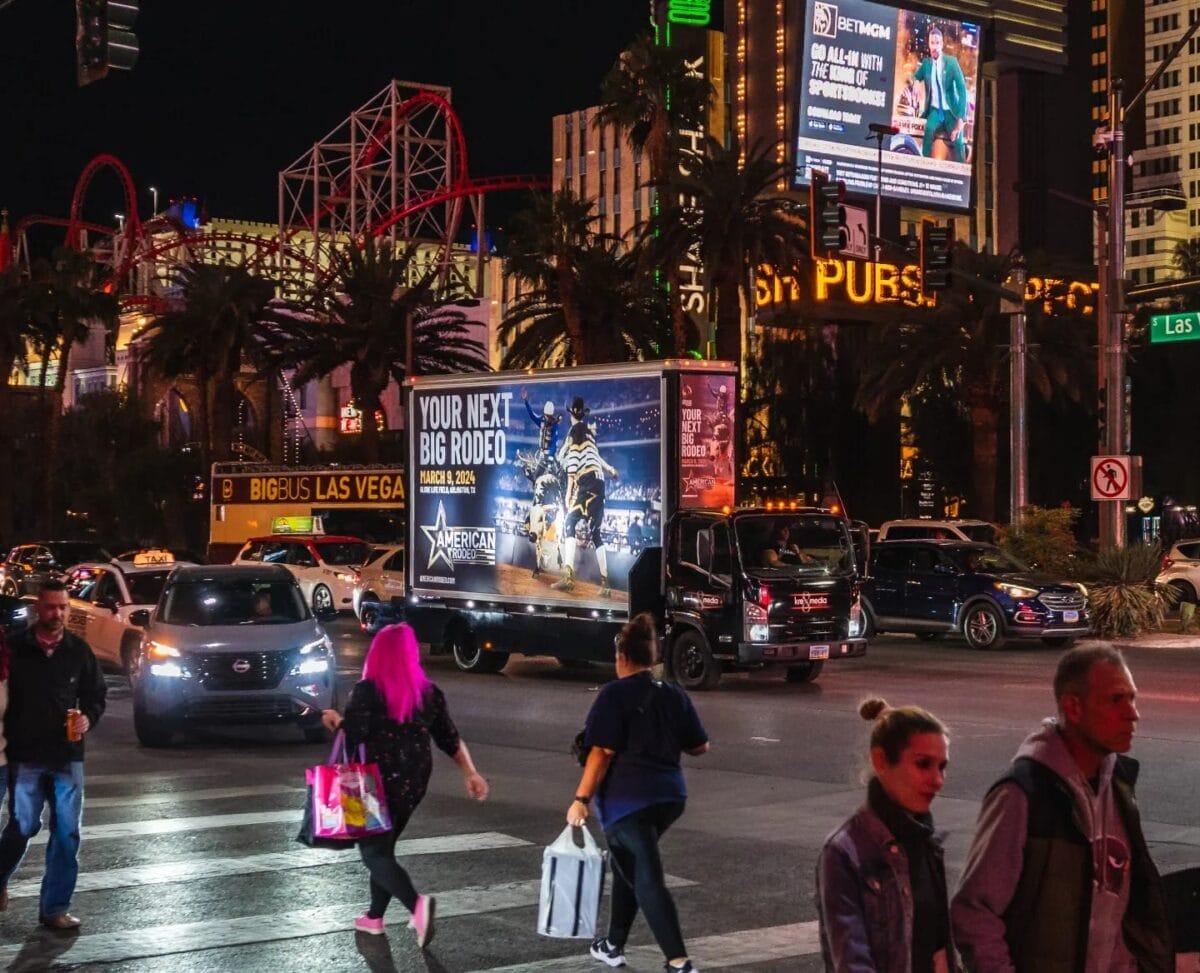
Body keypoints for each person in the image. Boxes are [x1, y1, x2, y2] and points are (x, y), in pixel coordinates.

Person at [951, 645, 1173, 972]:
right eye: (1116, 700)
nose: (1132, 713)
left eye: (1132, 698)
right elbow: (974, 913)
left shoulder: (1119, 786)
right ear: (1074, 707)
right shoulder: (1023, 794)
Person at [321, 623, 488, 947]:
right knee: (384, 848)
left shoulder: (368, 690)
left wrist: (334, 720)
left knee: (373, 852)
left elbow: (354, 732)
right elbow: (450, 739)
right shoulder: (428, 693)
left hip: (375, 781)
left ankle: (417, 906)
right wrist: (471, 772)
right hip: (414, 780)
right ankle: (374, 917)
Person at [567, 612, 709, 973]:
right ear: (653, 658)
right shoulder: (672, 693)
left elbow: (600, 752)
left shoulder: (613, 694)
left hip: (626, 803)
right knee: (626, 864)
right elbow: (699, 746)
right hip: (670, 797)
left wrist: (580, 800)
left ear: (621, 657)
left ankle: (678, 961)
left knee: (646, 878)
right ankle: (613, 944)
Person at [0, 578, 107, 929]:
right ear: (37, 609)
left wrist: (88, 718)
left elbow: (95, 695)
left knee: (66, 833)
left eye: (63, 607)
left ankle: (55, 908)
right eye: (50, 607)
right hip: (25, 755)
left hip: (66, 756)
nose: (57, 613)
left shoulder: (78, 650)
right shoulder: (15, 649)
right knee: (22, 826)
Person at [817, 698, 953, 973]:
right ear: (881, 761)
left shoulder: (927, 843)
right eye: (923, 764)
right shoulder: (845, 852)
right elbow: (852, 960)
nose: (937, 780)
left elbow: (937, 949)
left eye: (942, 767)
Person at [554, 396, 620, 597]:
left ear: (570, 414)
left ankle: (568, 576)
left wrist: (568, 494)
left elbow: (572, 464)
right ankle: (605, 583)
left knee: (569, 522)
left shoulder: (574, 432)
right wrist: (609, 469)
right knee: (596, 533)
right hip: (600, 482)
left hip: (587, 481)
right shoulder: (590, 435)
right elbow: (595, 456)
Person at [909, 26, 968, 161]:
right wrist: (917, 82)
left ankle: (962, 173)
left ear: (941, 44)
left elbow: (962, 90)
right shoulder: (926, 64)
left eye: (937, 43)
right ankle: (924, 166)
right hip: (935, 111)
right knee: (928, 130)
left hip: (951, 112)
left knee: (958, 143)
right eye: (932, 43)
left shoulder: (951, 63)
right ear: (929, 44)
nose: (934, 47)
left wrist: (960, 118)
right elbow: (916, 76)